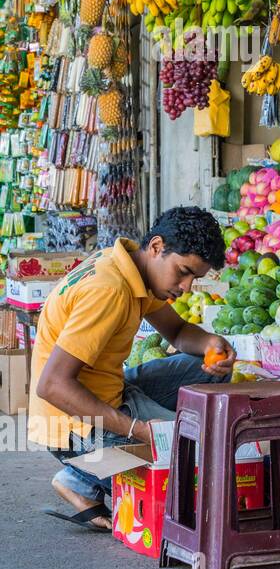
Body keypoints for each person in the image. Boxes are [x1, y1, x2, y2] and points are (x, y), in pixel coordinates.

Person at [29, 206, 234, 531]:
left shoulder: (131, 269)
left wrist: (211, 343)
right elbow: (51, 385)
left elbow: (179, 333)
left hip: (111, 392)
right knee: (202, 456)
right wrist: (138, 429)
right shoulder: (108, 290)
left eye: (195, 278)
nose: (186, 287)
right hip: (73, 427)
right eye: (183, 272)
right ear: (156, 247)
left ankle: (84, 476)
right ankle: (82, 472)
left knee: (203, 369)